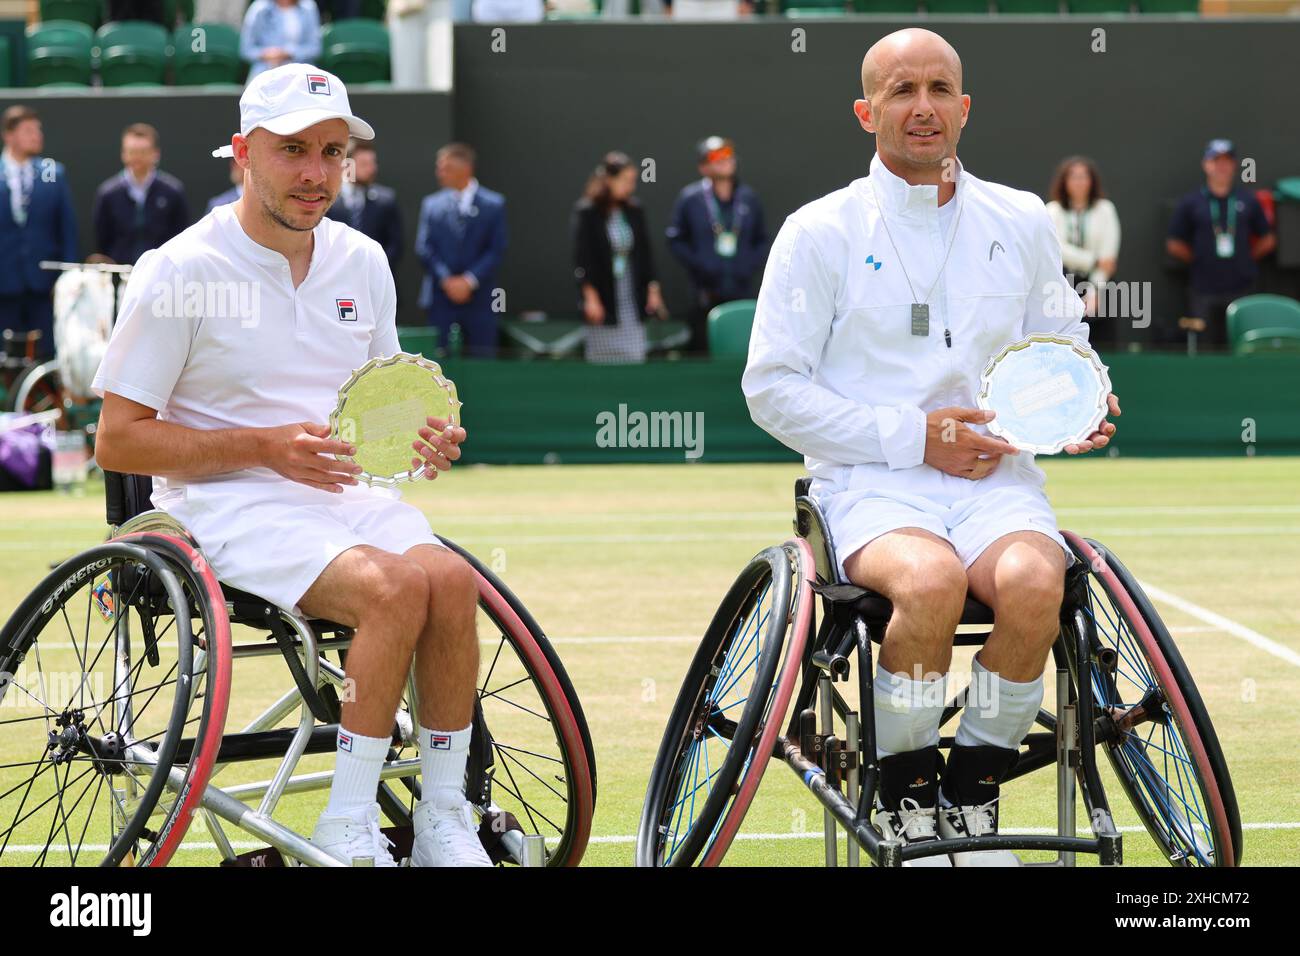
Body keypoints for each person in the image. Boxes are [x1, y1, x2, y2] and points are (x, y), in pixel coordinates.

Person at [90, 64, 492, 867]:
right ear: (243, 152)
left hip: (344, 499)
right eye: (293, 150)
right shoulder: (180, 268)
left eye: (333, 152)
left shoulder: (364, 259)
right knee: (395, 589)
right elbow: (118, 440)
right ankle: (347, 825)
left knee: (452, 581)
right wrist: (263, 447)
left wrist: (422, 439)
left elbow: (384, 403)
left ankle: (446, 819)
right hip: (221, 505)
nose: (316, 173)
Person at [743, 28, 1120, 866]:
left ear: (964, 106)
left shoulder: (1021, 217)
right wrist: (917, 437)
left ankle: (971, 792)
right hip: (873, 484)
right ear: (865, 110)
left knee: (1035, 583)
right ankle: (908, 788)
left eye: (939, 88)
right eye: (902, 90)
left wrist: (1079, 398)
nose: (923, 107)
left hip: (996, 481)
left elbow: (1062, 337)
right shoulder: (818, 231)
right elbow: (770, 389)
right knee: (931, 582)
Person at [1166, 139, 1276, 351]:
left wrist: (1247, 258)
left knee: (1241, 343)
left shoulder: (1248, 199)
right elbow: (1174, 243)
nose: (1222, 167)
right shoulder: (1191, 202)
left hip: (1242, 285)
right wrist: (1198, 259)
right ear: (1206, 165)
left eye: (1227, 161)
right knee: (1204, 344)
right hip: (1203, 287)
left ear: (1234, 166)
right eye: (1216, 161)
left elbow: (1268, 239)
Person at [667, 135, 769, 353]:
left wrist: (747, 265)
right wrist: (701, 264)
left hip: (742, 292)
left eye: (728, 155)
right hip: (705, 295)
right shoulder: (690, 198)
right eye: (716, 156)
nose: (724, 160)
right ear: (703, 167)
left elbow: (762, 239)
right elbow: (675, 239)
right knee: (703, 352)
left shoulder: (748, 198)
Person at [0, 106, 78, 361]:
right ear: (8, 135)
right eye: (28, 130)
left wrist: (66, 280)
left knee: (46, 354)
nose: (37, 136)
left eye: (38, 130)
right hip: (5, 283)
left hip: (44, 284)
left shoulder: (53, 172)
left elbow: (67, 230)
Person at [571, 151, 664, 364]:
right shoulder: (587, 212)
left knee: (634, 359)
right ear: (608, 180)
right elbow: (582, 259)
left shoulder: (635, 210)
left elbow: (645, 254)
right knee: (603, 363)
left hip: (631, 296)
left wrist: (653, 289)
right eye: (625, 180)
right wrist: (590, 298)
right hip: (604, 298)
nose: (630, 187)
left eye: (633, 181)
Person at [415, 143, 507, 357]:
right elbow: (424, 248)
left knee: (481, 362)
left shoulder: (494, 205)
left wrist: (469, 281)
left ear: (465, 168)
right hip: (440, 299)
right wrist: (447, 281)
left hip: (481, 300)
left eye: (445, 168)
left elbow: (496, 249)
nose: (439, 173)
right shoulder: (431, 204)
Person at [92, 124, 190, 267]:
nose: (137, 157)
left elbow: (181, 237)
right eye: (132, 151)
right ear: (123, 153)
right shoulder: (107, 194)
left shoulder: (173, 192)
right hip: (121, 276)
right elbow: (102, 241)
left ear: (156, 154)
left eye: (143, 152)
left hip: (162, 274)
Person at [1044, 156, 1120, 341]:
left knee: (1101, 344)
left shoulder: (1106, 209)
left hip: (1099, 284)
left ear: (1092, 181)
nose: (1079, 182)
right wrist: (1092, 261)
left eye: (1084, 177)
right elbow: (1057, 248)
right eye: (1074, 177)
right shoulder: (1052, 210)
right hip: (1061, 285)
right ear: (1064, 181)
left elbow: (1107, 259)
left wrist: (1094, 291)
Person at [329, 141, 402, 270]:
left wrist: (376, 269)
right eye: (364, 164)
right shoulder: (327, 199)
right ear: (347, 165)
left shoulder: (386, 200)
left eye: (373, 163)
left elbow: (395, 245)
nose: (372, 169)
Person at [241, 0, 323, 82]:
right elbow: (246, 50)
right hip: (265, 72)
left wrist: (288, 53)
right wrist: (267, 54)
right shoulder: (259, 7)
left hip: (301, 75)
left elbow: (315, 48)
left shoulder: (309, 7)